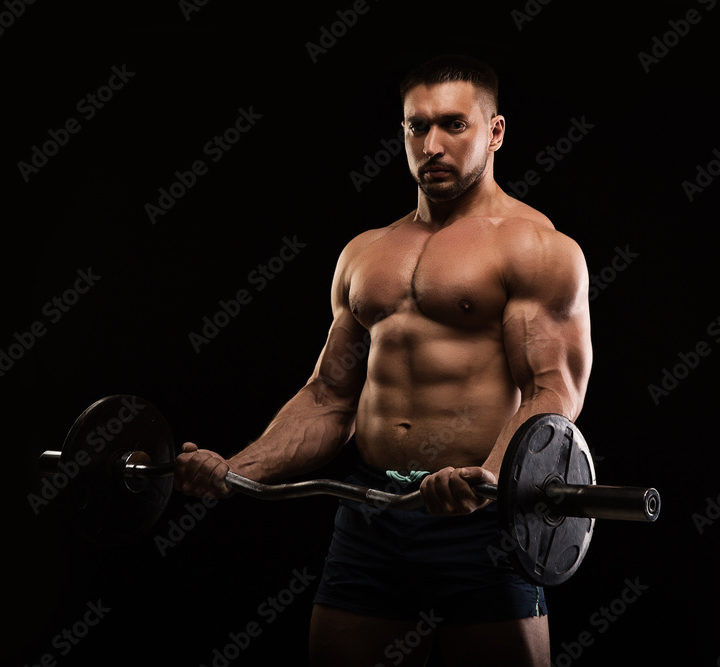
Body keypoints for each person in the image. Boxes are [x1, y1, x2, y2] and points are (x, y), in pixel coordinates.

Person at [175, 55, 592, 666]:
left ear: (495, 131)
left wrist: (491, 478)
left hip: (478, 521)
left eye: (454, 125)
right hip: (370, 513)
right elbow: (328, 397)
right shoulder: (365, 254)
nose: (432, 145)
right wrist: (236, 469)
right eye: (416, 127)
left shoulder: (536, 248)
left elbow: (552, 390)